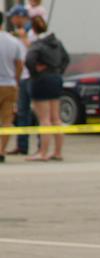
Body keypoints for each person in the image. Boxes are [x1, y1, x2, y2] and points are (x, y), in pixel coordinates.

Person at [24, 15, 67, 162]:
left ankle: (42, 152)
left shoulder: (37, 44)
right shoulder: (57, 43)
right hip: (56, 79)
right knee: (56, 118)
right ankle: (58, 151)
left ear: (33, 29)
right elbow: (66, 59)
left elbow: (29, 60)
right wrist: (58, 70)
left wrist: (35, 72)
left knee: (44, 119)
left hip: (41, 81)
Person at [6, 4, 34, 156]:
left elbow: (30, 52)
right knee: (23, 112)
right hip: (23, 77)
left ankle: (29, 145)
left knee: (28, 112)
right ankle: (22, 145)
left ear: (20, 17)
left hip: (28, 77)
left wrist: (23, 38)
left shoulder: (30, 31)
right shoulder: (18, 33)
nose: (12, 19)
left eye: (14, 16)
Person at [0, 10, 25, 164]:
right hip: (9, 84)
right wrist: (16, 79)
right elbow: (20, 64)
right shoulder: (13, 41)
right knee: (7, 120)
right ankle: (1, 150)